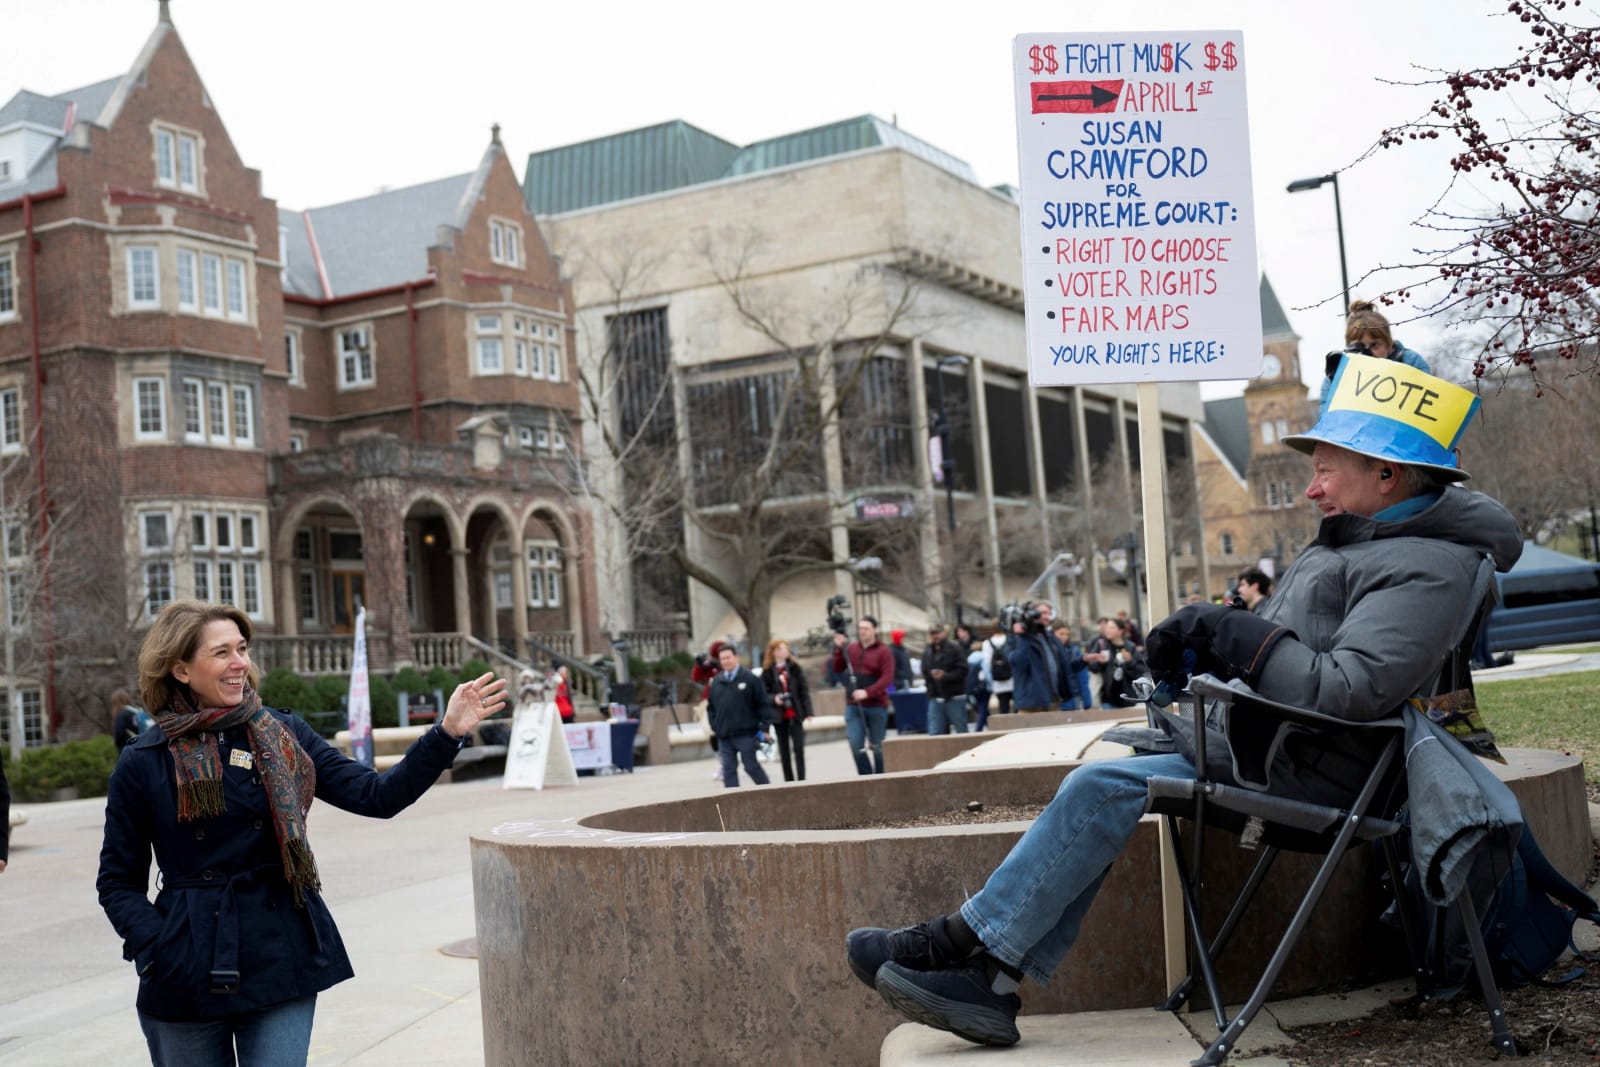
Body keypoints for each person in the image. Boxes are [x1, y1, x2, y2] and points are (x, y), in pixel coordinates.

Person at [845, 356, 1521, 1049]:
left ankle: (966, 946)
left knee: (1102, 781)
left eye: (1326, 469)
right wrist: (1212, 647)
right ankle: (990, 974)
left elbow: (1345, 689)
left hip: (1320, 768)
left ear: (1388, 473)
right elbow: (1303, 656)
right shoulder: (1369, 539)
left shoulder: (1430, 564)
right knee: (1114, 758)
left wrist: (1236, 635)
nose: (1310, 486)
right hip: (1280, 744)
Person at [97, 600, 508, 1066]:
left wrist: (446, 732)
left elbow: (378, 796)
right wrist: (157, 947)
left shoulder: (284, 733)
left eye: (242, 649)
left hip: (278, 953)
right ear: (181, 669)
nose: (240, 664)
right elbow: (117, 882)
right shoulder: (144, 759)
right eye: (222, 653)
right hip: (185, 968)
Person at [1318, 299, 1432, 416]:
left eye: (1374, 345)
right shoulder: (1335, 373)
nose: (1368, 353)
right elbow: (1328, 416)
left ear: (1388, 343)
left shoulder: (1410, 362)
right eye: (1359, 347)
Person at [830, 615, 893, 775]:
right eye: (860, 628)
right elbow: (837, 668)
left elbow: (887, 678)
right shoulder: (851, 648)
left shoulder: (884, 651)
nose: (862, 631)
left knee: (879, 748)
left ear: (874, 630)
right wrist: (838, 649)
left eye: (866, 628)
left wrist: (868, 692)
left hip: (876, 705)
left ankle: (882, 778)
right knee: (856, 744)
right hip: (853, 706)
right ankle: (866, 779)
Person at [706, 644, 773, 788]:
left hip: (746, 734)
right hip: (724, 736)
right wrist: (715, 726)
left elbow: (763, 703)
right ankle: (731, 803)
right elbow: (710, 707)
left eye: (728, 657)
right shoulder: (717, 681)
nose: (726, 661)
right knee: (728, 770)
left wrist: (765, 728)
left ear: (736, 658)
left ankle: (769, 792)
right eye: (722, 659)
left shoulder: (750, 679)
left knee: (751, 767)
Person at [1004, 602, 1082, 713]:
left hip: (1053, 700)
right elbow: (1018, 663)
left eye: (1049, 613)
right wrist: (1024, 636)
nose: (1047, 617)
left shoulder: (1049, 637)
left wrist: (1083, 661)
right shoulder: (1017, 638)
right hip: (1031, 704)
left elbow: (1064, 665)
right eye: (1043, 613)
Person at [760, 638, 813, 782]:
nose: (783, 652)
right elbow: (763, 693)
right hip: (779, 716)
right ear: (773, 652)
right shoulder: (767, 672)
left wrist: (808, 711)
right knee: (784, 751)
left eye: (785, 648)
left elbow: (804, 690)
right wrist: (774, 699)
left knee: (799, 748)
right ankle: (788, 780)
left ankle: (802, 779)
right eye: (779, 649)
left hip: (795, 713)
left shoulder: (794, 668)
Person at [921, 623, 969, 735]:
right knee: (935, 733)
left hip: (954, 696)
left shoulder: (955, 648)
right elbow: (924, 670)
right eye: (932, 633)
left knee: (961, 731)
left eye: (937, 633)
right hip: (935, 696)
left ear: (944, 633)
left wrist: (945, 676)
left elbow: (963, 670)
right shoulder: (928, 651)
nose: (935, 636)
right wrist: (931, 676)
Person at [1083, 617, 1140, 709]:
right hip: (1107, 697)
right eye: (1107, 628)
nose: (1107, 630)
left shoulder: (1130, 647)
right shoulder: (1101, 644)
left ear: (1120, 631)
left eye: (1111, 628)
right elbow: (1092, 668)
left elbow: (1139, 671)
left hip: (1128, 697)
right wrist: (1099, 662)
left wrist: (1130, 661)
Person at [1050, 621, 1092, 712]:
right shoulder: (1049, 651)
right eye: (1061, 634)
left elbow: (1082, 678)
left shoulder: (1074, 651)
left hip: (1072, 699)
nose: (1064, 637)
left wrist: (1086, 701)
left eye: (1067, 634)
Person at [980, 625, 1015, 718]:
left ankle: (1006, 727)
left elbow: (986, 662)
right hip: (1013, 679)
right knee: (1017, 707)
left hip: (998, 681)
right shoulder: (1010, 640)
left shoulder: (987, 643)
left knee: (1003, 707)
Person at [113, 689, 154, 753]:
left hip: (130, 749)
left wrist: (116, 745)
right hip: (145, 744)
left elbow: (119, 734)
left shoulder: (122, 714)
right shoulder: (137, 710)